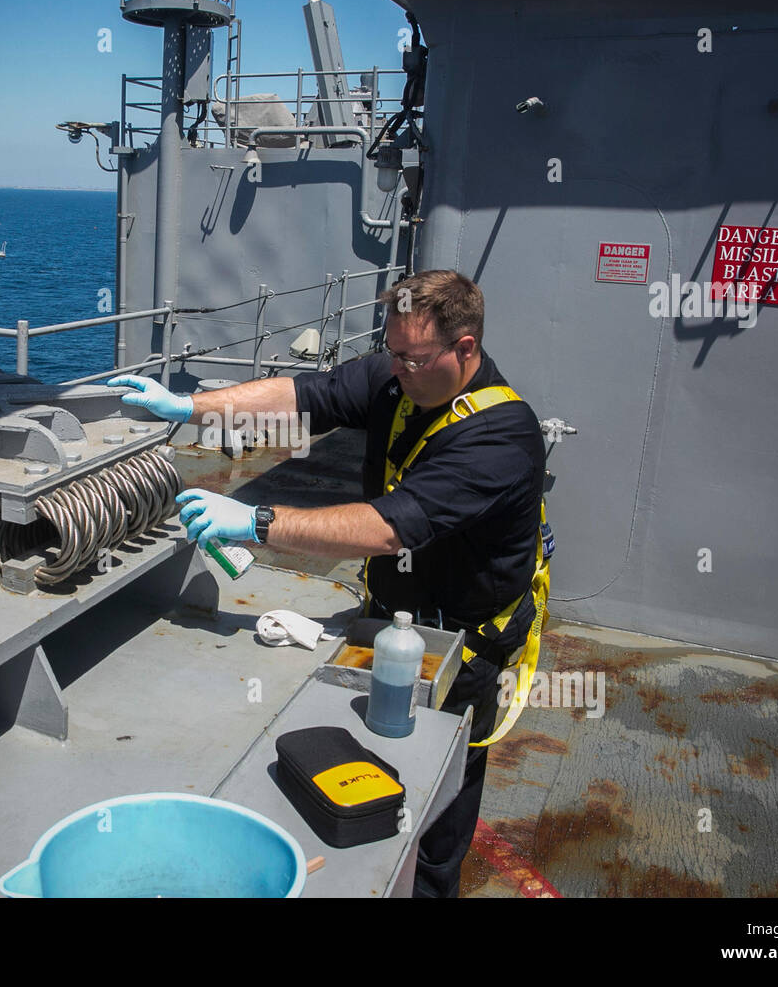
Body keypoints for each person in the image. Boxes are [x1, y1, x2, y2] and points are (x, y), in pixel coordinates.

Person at [108, 269, 546, 898]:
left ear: (466, 349)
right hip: (392, 624)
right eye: (390, 352)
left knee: (437, 803)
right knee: (374, 769)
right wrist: (187, 407)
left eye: (413, 358)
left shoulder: (500, 436)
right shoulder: (399, 375)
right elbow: (303, 394)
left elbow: (391, 528)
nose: (397, 370)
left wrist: (256, 521)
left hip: (461, 648)